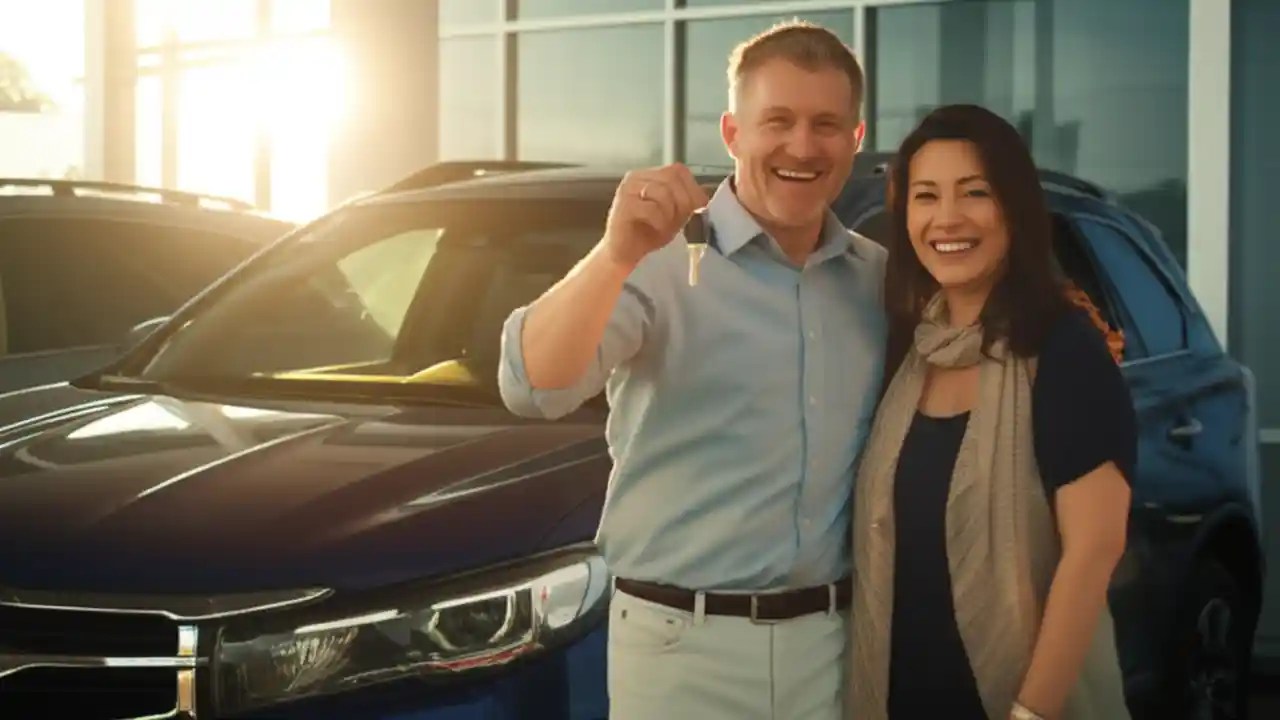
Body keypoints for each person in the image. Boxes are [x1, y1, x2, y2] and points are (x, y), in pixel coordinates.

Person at [497, 20, 884, 720]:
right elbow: (534, 388)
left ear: (855, 140)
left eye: (826, 124)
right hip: (681, 652)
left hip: (834, 649)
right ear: (733, 134)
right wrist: (614, 255)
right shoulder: (657, 258)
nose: (802, 145)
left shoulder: (879, 282)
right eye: (779, 121)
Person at [846, 103, 1136, 720]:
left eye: (974, 192)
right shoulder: (909, 348)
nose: (946, 218)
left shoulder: (1063, 347)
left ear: (1014, 209)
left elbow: (1095, 548)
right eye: (925, 196)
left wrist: (1030, 712)